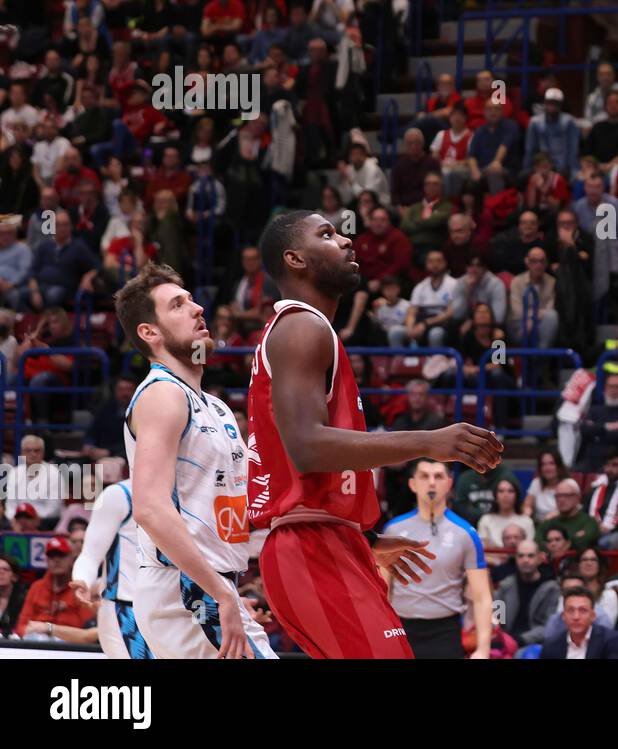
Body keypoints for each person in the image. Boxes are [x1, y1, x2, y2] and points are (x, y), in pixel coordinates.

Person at [248, 211, 502, 658]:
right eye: (326, 235)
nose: (346, 240)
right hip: (309, 547)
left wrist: (363, 538)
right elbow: (305, 448)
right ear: (295, 259)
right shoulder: (301, 328)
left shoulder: (313, 331)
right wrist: (428, 441)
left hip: (331, 539)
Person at [111, 263, 275, 659]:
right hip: (185, 589)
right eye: (178, 305)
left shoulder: (214, 406)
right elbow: (150, 508)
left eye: (191, 299)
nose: (198, 308)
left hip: (208, 588)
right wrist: (219, 592)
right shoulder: (162, 395)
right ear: (149, 333)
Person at [381, 459, 492, 659]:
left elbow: (482, 596)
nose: (432, 483)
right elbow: (382, 591)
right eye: (424, 476)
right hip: (400, 628)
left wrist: (483, 649)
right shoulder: (393, 530)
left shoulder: (466, 533)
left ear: (449, 484)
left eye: (438, 476)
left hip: (445, 631)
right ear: (412, 484)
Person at [68, 479, 152, 659]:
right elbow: (90, 555)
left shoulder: (191, 486)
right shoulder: (119, 494)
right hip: (124, 609)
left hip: (176, 605)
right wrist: (82, 578)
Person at [493, 540, 560, 646]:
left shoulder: (551, 589)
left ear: (539, 559)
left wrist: (520, 640)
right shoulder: (505, 586)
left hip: (535, 643)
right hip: (506, 642)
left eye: (530, 556)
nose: (525, 560)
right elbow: (496, 618)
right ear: (516, 559)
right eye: (521, 556)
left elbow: (549, 625)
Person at [539, 586, 618, 659]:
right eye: (570, 610)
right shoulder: (551, 645)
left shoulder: (611, 641)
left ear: (593, 616)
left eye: (582, 610)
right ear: (563, 616)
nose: (576, 617)